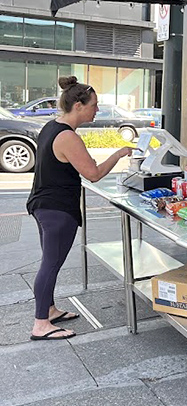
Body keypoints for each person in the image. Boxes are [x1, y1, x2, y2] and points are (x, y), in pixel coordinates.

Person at [26, 77, 132, 341]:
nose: (97, 110)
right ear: (77, 105)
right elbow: (93, 174)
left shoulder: (51, 127)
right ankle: (40, 324)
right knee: (50, 264)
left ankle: (48, 310)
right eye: (94, 105)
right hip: (57, 210)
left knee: (50, 262)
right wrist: (118, 155)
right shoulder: (68, 137)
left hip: (42, 204)